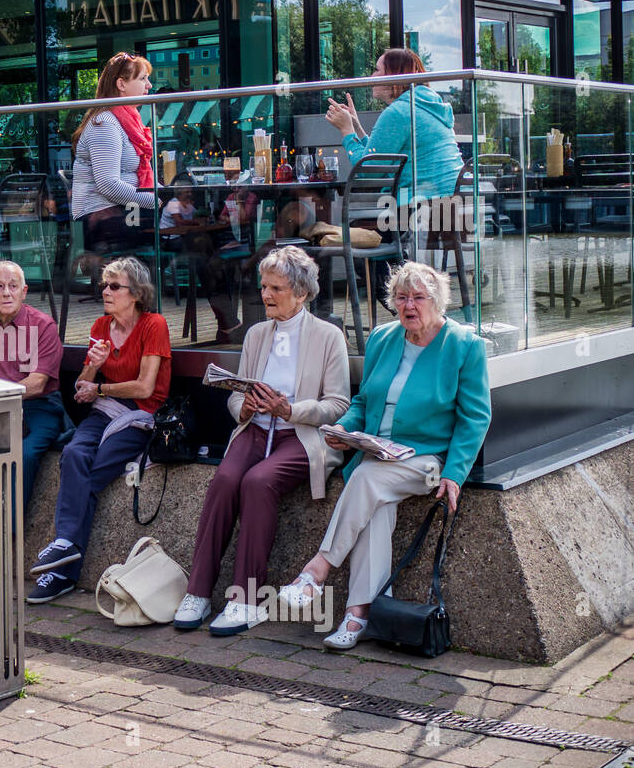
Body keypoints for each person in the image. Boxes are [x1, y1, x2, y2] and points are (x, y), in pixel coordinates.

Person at [277, 261, 491, 649]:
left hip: (426, 461)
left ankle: (317, 570)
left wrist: (455, 474)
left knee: (368, 479)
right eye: (402, 297)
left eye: (419, 297)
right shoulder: (382, 338)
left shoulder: (464, 345)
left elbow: (475, 418)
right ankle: (359, 615)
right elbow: (362, 401)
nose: (409, 305)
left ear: (438, 301)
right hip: (376, 455)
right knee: (375, 507)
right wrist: (345, 429)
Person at [173, 247, 349, 634]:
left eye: (276, 288)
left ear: (301, 293)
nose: (266, 295)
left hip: (300, 437)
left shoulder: (328, 336)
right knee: (223, 481)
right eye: (264, 286)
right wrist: (247, 407)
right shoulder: (256, 333)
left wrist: (290, 410)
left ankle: (248, 600)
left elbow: (338, 404)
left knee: (257, 482)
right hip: (254, 430)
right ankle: (199, 592)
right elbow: (236, 394)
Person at [28, 256, 171, 604]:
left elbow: (145, 388)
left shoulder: (154, 325)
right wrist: (95, 366)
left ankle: (61, 571)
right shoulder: (100, 325)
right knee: (74, 454)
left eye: (114, 286)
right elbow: (81, 387)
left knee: (90, 474)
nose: (105, 291)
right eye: (104, 285)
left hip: (140, 415)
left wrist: (101, 388)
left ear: (135, 293)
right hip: (103, 410)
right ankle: (64, 549)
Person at [0, 260, 70, 509]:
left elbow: (38, 383)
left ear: (24, 291)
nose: (7, 292)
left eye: (13, 286)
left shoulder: (43, 326)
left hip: (36, 407)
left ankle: (10, 530)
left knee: (24, 455)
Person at [326, 48, 464, 204]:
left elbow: (368, 171)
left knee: (354, 225)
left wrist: (347, 131)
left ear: (393, 77)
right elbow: (381, 158)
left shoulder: (399, 112)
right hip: (456, 203)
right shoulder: (424, 105)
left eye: (377, 70)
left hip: (424, 210)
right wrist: (356, 127)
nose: (372, 76)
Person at [69, 52, 157, 257]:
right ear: (121, 84)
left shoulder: (126, 121)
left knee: (182, 223)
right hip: (99, 217)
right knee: (177, 230)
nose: (149, 85)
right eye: (143, 78)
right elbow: (108, 185)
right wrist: (157, 201)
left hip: (121, 211)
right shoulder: (105, 124)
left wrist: (168, 196)